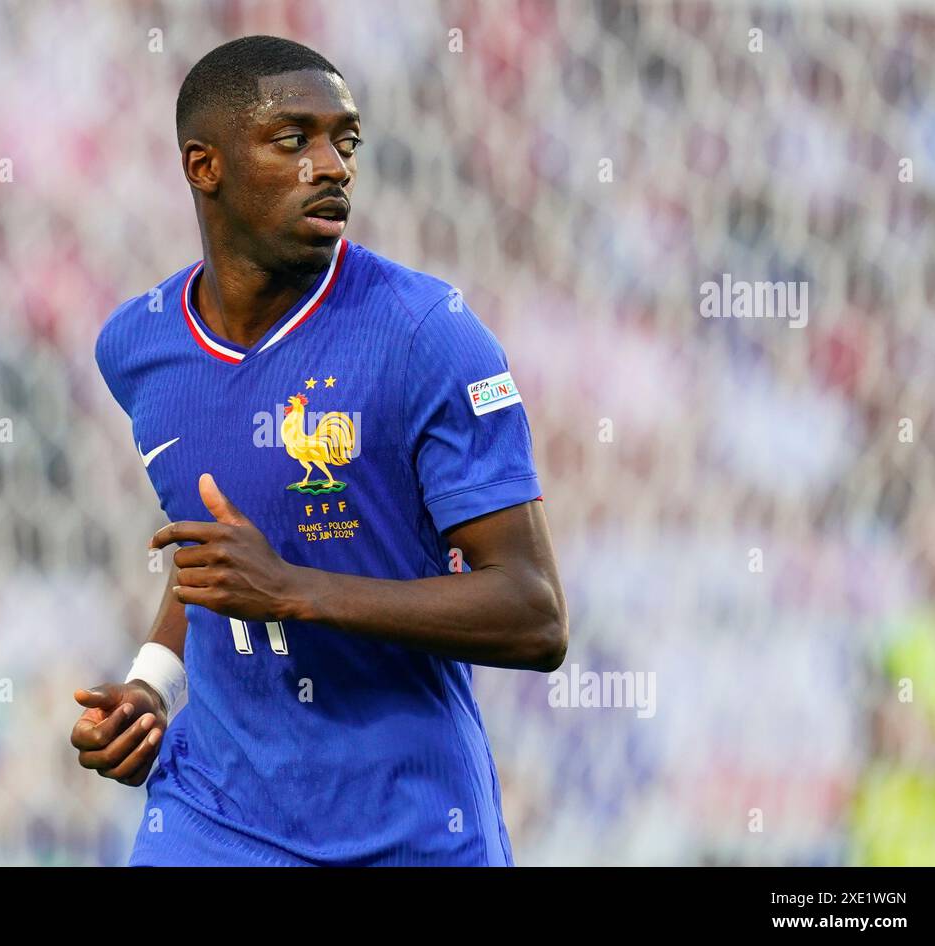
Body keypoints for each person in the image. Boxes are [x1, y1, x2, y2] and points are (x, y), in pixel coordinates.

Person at [72, 35, 567, 866]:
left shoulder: (427, 335)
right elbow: (217, 547)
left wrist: (296, 591)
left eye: (346, 141)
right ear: (206, 166)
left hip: (407, 825)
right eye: (294, 139)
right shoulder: (137, 347)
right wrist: (152, 685)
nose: (332, 165)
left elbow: (534, 614)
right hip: (213, 817)